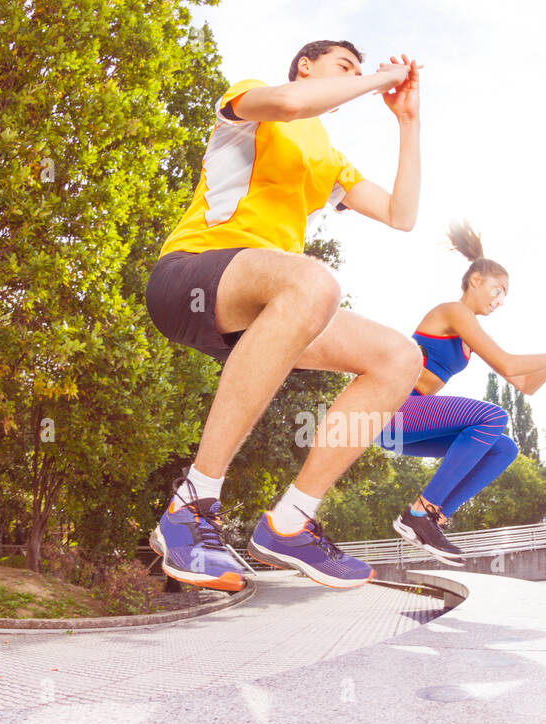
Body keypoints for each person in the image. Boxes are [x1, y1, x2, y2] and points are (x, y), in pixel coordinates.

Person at [145, 40, 425, 591]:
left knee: (399, 357)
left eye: (359, 72)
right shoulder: (254, 100)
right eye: (345, 67)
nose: (356, 76)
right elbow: (295, 105)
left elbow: (402, 214)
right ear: (306, 65)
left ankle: (291, 522)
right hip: (190, 276)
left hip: (266, 306)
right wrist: (376, 82)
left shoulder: (328, 159)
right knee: (314, 280)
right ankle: (193, 499)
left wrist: (407, 122)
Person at [376, 221, 546, 563]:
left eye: (505, 295)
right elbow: (507, 364)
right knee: (493, 416)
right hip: (390, 409)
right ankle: (418, 512)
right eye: (498, 289)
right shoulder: (453, 312)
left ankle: (433, 518)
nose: (501, 300)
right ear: (475, 279)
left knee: (503, 448)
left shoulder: (467, 333)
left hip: (403, 427)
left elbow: (525, 385)